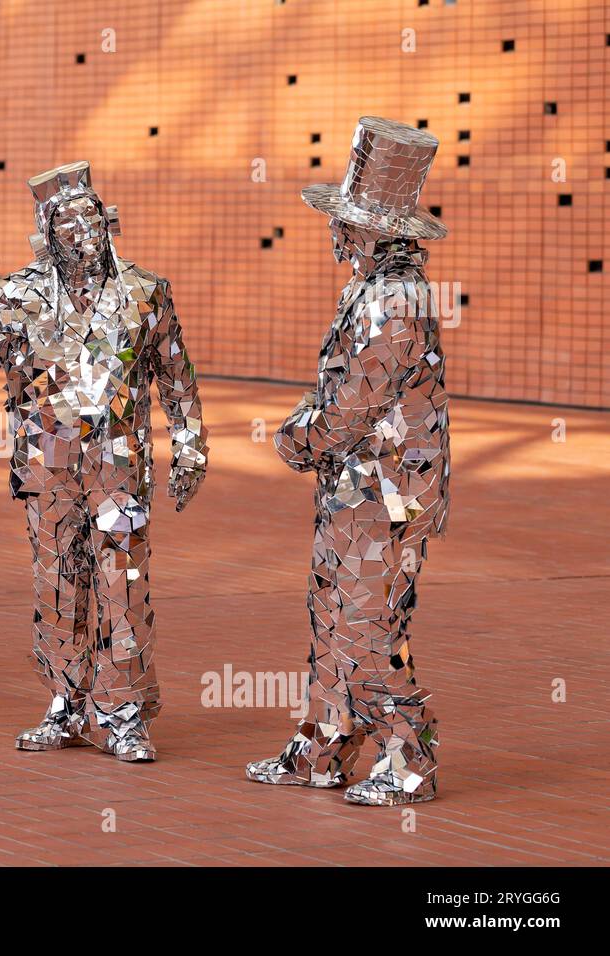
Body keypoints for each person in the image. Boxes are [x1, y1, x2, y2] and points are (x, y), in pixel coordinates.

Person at [0, 162, 207, 761]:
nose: (82, 227)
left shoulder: (146, 292)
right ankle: (66, 704)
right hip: (47, 467)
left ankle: (123, 713)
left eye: (91, 214)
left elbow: (177, 377)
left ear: (107, 221)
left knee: (123, 583)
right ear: (47, 232)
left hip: (119, 468)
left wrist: (191, 446)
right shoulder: (19, 295)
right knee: (58, 586)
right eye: (66, 218)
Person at [245, 117, 450, 805]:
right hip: (359, 486)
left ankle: (407, 759)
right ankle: (325, 746)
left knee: (367, 622)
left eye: (344, 221)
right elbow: (341, 391)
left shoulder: (395, 298)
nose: (334, 232)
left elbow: (353, 404)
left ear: (370, 229)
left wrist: (297, 439)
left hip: (389, 493)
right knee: (332, 614)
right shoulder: (371, 289)